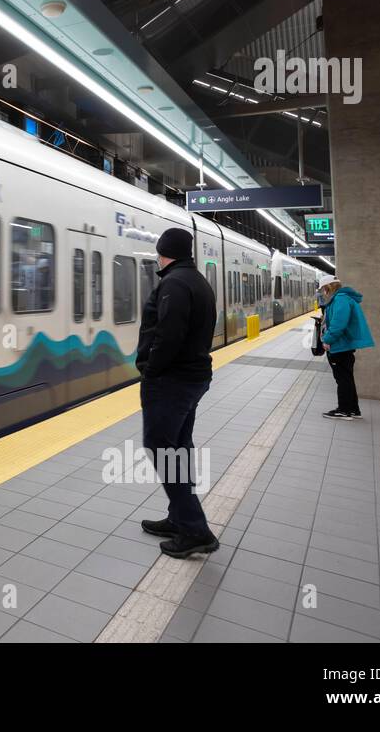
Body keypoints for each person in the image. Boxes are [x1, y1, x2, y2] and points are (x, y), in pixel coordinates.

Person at [135, 227, 220, 559]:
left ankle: (195, 530)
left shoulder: (173, 283)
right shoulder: (196, 280)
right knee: (178, 447)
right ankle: (179, 517)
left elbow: (168, 335)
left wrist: (152, 370)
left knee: (160, 447)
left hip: (172, 381)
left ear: (162, 251)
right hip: (192, 378)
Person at [319, 278, 374, 419]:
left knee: (342, 379)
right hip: (344, 346)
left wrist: (327, 339)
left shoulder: (341, 300)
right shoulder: (343, 299)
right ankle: (353, 410)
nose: (323, 293)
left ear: (329, 287)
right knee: (347, 379)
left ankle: (343, 410)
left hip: (340, 346)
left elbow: (339, 324)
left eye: (323, 290)